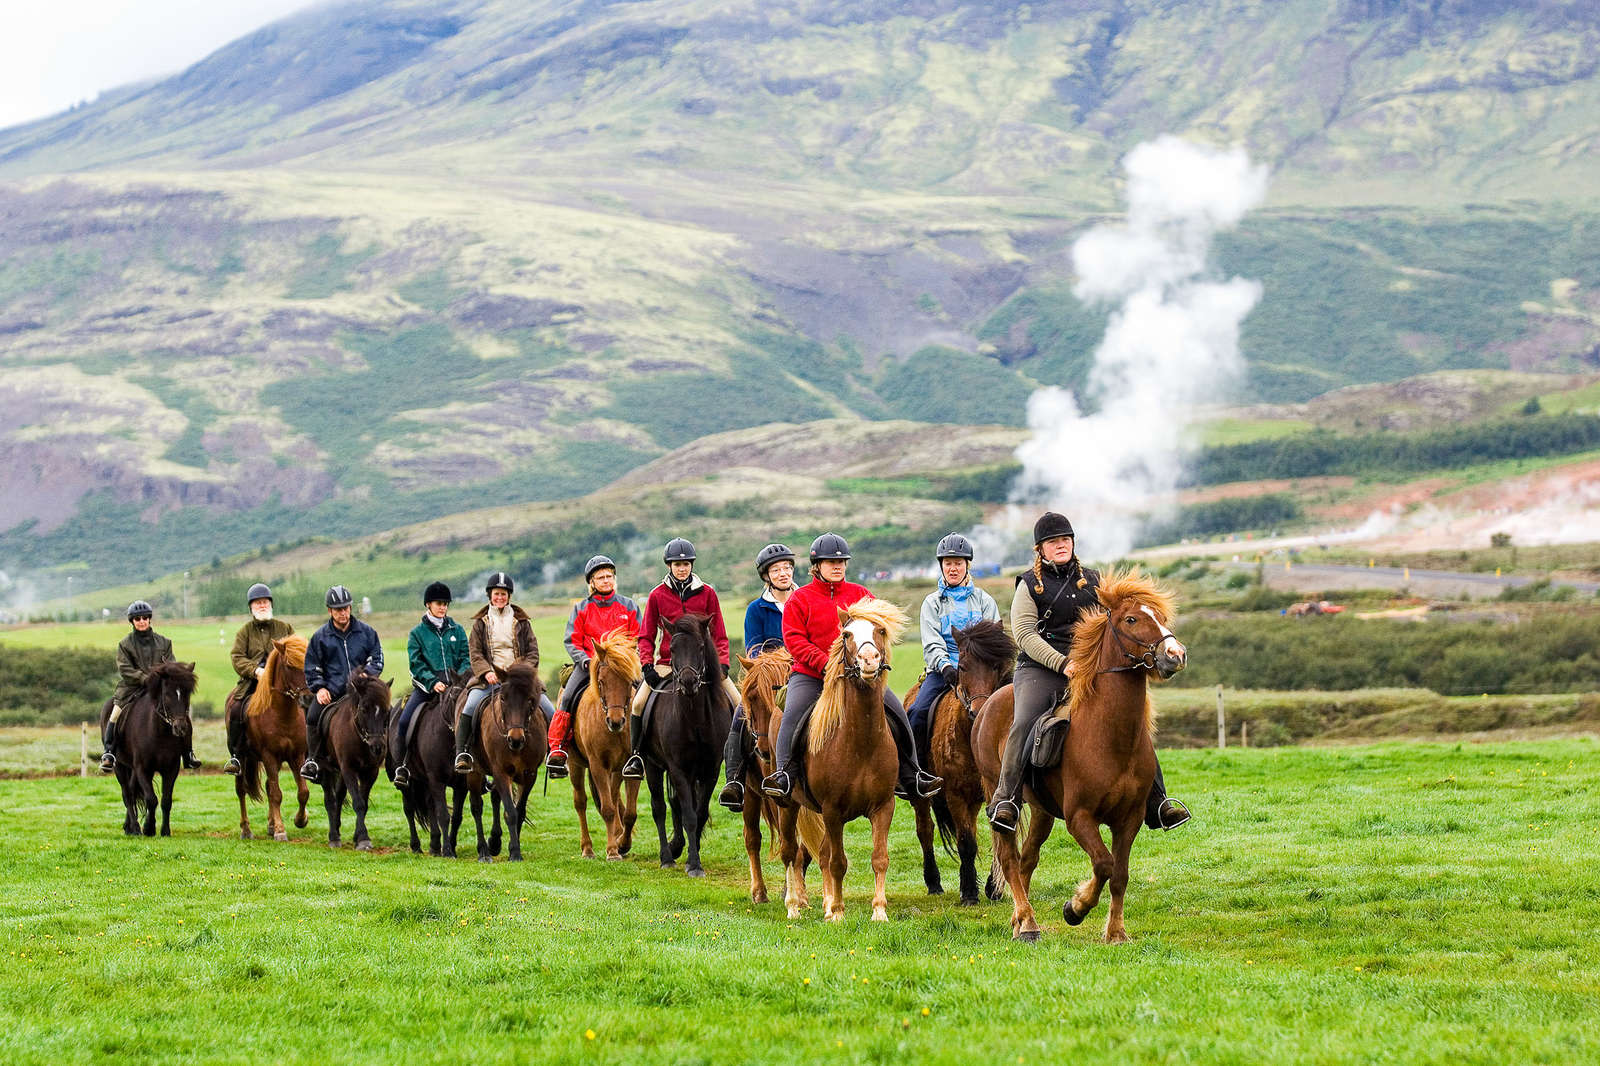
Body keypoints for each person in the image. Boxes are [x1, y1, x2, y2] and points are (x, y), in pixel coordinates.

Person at [986, 512, 1190, 834]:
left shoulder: (1093, 581)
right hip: (1042, 667)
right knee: (1025, 720)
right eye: (1053, 542)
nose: (1061, 545)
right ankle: (1007, 798)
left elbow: (1120, 618)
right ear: (1040, 548)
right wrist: (1062, 662)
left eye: (1065, 540)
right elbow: (1025, 635)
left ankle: (1158, 801)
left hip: (1090, 666)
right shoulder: (1028, 585)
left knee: (1131, 722)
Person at [760, 533, 942, 801]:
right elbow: (795, 640)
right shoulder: (801, 599)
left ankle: (911, 774)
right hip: (812, 676)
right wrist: (826, 665)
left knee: (898, 714)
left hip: (861, 677)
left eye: (841, 561)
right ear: (816, 566)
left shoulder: (862, 595)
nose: (837, 566)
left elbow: (879, 633)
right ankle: (785, 774)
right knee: (793, 715)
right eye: (830, 562)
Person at [623, 538, 740, 780]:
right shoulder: (657, 595)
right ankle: (636, 756)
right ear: (669, 566)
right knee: (637, 703)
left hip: (704, 665)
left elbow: (719, 634)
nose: (682, 568)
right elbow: (646, 636)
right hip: (667, 664)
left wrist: (723, 663)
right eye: (677, 564)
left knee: (738, 703)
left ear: (692, 565)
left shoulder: (708, 593)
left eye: (686, 563)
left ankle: (736, 763)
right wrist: (647, 665)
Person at [905, 533, 1000, 766]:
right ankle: (916, 772)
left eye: (958, 563)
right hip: (944, 672)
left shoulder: (984, 600)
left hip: (980, 673)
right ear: (941, 566)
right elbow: (931, 642)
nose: (953, 568)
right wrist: (946, 665)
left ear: (967, 565)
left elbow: (994, 642)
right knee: (917, 712)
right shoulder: (932, 603)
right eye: (948, 563)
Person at [546, 555, 642, 780]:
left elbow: (638, 636)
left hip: (623, 666)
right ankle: (558, 748)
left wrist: (629, 658)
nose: (606, 580)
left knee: (646, 698)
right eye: (601, 577)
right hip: (589, 664)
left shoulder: (628, 606)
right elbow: (572, 640)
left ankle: (644, 749)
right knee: (568, 696)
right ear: (592, 582)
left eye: (609, 576)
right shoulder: (581, 608)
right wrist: (585, 660)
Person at [717, 543, 796, 811]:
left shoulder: (804, 599)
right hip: (769, 679)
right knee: (740, 716)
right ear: (766, 575)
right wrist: (779, 662)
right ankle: (734, 782)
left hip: (801, 674)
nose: (783, 573)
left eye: (787, 568)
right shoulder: (756, 609)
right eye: (777, 570)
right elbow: (753, 649)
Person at [454, 572, 541, 774]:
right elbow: (474, 652)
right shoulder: (480, 623)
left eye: (503, 594)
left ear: (509, 596)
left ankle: (553, 752)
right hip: (490, 679)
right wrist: (486, 672)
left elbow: (533, 652)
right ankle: (463, 752)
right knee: (470, 706)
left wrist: (523, 674)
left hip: (519, 680)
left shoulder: (522, 621)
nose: (500, 598)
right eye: (496, 594)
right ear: (490, 596)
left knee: (547, 708)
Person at [102, 600, 199, 773]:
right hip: (132, 687)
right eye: (137, 618)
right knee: (115, 712)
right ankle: (109, 753)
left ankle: (188, 753)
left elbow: (171, 666)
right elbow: (124, 669)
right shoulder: (125, 644)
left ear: (149, 619)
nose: (142, 621)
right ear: (132, 621)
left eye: (145, 617)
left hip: (160, 687)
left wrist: (165, 678)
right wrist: (145, 678)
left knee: (181, 715)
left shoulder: (164, 642)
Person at [300, 585, 384, 784]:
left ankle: (392, 758)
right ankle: (313, 760)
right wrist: (319, 688)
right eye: (338, 609)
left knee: (384, 711)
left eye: (346, 608)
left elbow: (377, 659)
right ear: (330, 611)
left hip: (363, 692)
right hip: (333, 693)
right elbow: (312, 667)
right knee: (312, 715)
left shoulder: (367, 632)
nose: (343, 613)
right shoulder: (320, 637)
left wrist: (367, 675)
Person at [392, 582, 470, 788]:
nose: (443, 607)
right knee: (404, 721)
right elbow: (415, 664)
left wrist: (458, 679)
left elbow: (465, 658)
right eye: (439, 603)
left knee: (475, 716)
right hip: (428, 688)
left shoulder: (458, 630)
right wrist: (433, 682)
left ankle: (478, 768)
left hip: (456, 687)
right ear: (428, 604)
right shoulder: (417, 633)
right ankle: (403, 766)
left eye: (445, 603)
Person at [223, 583, 294, 776]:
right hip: (253, 682)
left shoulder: (284, 627)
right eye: (257, 603)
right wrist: (255, 671)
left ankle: (310, 755)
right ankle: (236, 756)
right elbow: (237, 657)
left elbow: (295, 651)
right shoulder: (244, 632)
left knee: (305, 704)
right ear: (251, 608)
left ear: (270, 604)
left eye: (264, 602)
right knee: (236, 709)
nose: (262, 606)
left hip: (282, 683)